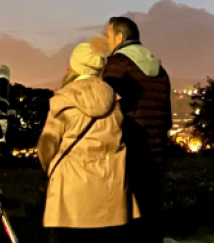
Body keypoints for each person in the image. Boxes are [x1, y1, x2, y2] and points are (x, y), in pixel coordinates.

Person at [38, 40, 135, 243]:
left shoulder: (63, 100)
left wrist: (50, 169)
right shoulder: (114, 102)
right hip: (110, 192)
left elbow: (47, 146)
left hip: (70, 194)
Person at [101, 16, 172, 243]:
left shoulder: (119, 63)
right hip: (157, 150)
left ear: (120, 37)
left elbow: (102, 103)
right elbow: (167, 116)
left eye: (108, 36)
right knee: (151, 212)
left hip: (129, 148)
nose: (107, 41)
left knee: (128, 216)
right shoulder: (159, 69)